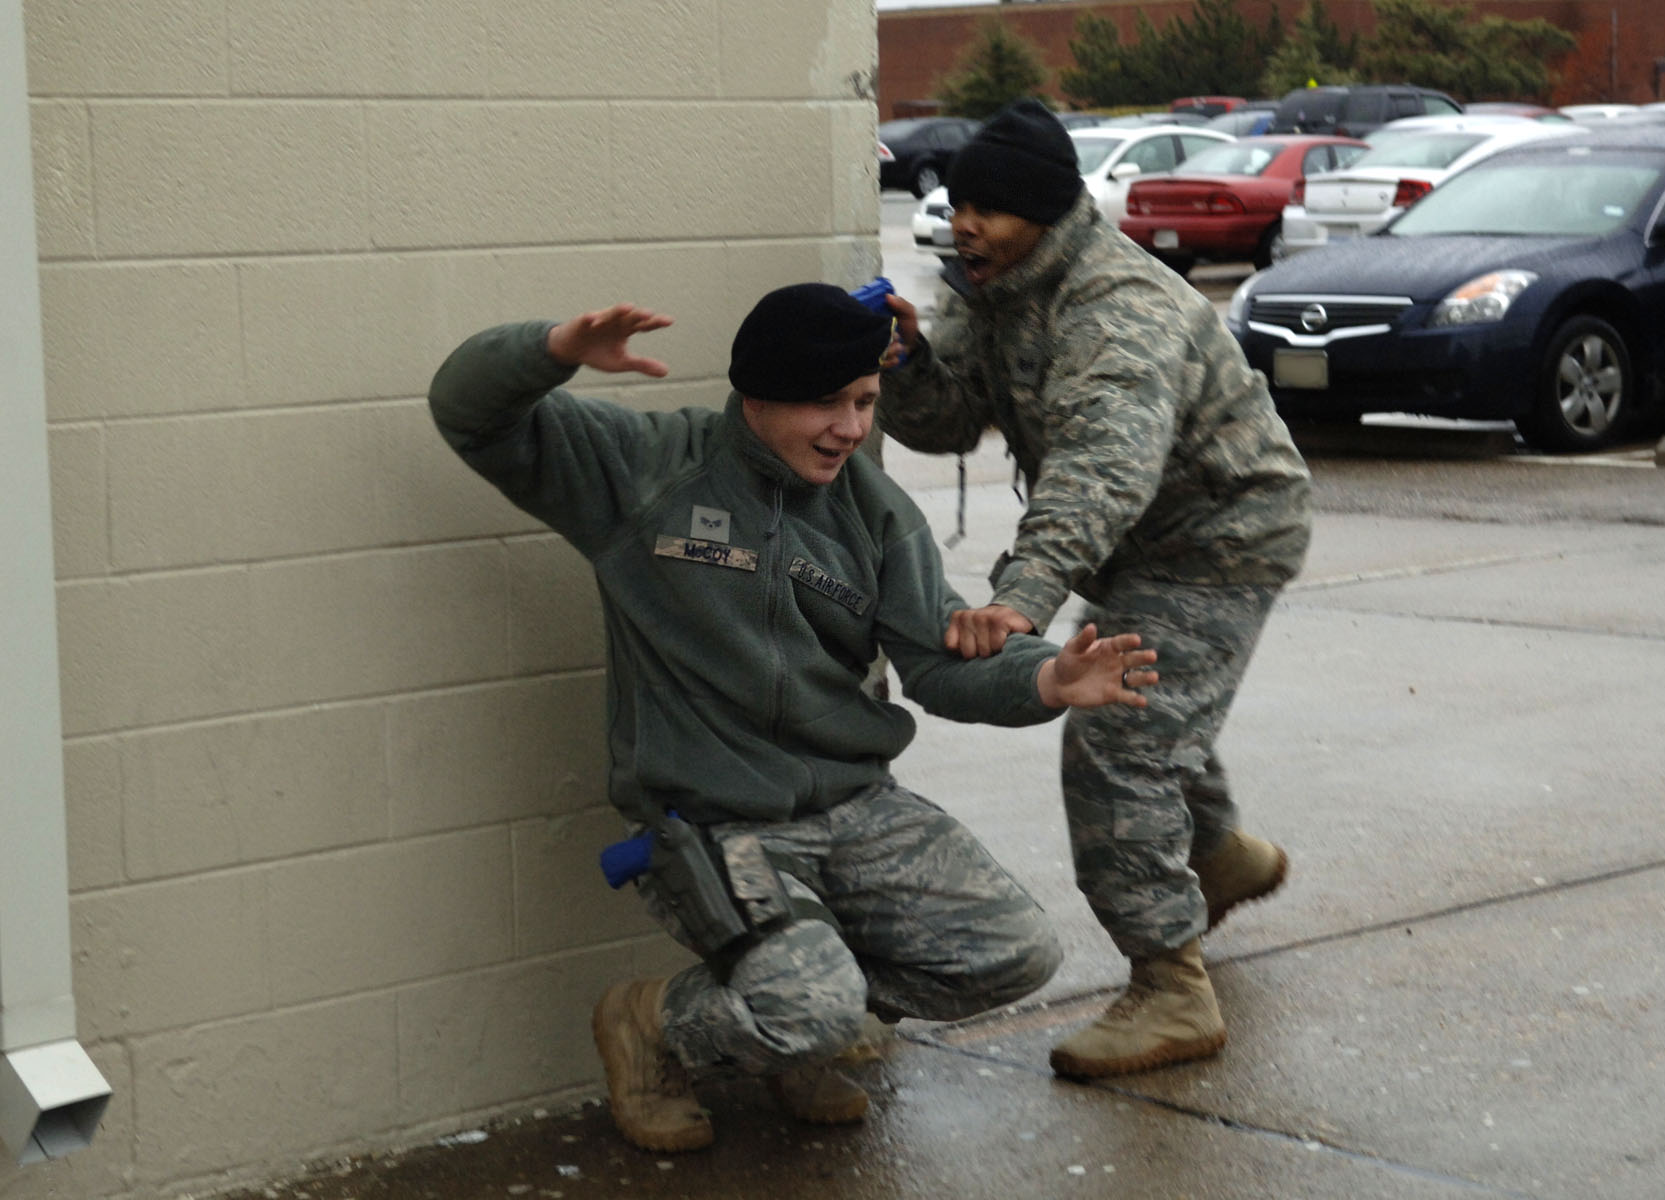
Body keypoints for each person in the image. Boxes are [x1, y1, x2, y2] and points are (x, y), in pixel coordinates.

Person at [427, 283, 1162, 1152]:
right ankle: (656, 1025)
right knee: (811, 1005)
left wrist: (1046, 682)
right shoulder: (646, 468)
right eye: (826, 403)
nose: (851, 429)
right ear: (759, 396)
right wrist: (553, 350)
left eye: (863, 402)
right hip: (709, 815)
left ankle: (801, 1025)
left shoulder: (875, 513)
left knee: (1014, 953)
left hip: (852, 803)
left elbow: (936, 660)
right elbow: (466, 411)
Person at [875, 99, 1313, 1079]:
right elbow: (951, 417)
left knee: (1117, 738)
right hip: (1143, 544)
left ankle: (1171, 991)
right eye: (960, 207)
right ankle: (1223, 857)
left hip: (1222, 537)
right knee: (1142, 703)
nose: (966, 226)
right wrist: (905, 361)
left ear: (1044, 212)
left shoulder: (1118, 309)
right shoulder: (995, 287)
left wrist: (1021, 599)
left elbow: (1099, 472)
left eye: (988, 210)